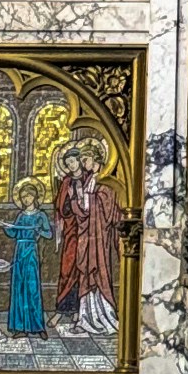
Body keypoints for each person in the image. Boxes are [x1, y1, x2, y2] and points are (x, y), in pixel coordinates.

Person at [54, 141, 122, 338]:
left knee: (97, 273)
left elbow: (108, 208)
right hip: (86, 234)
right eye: (81, 160)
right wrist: (76, 199)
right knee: (84, 273)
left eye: (85, 159)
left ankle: (102, 316)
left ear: (96, 158)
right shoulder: (90, 180)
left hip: (98, 236)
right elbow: (79, 210)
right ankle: (86, 317)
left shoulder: (104, 182)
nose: (83, 163)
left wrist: (84, 199)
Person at [4, 189, 53, 340]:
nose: (26, 199)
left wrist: (39, 230)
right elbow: (14, 233)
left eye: (29, 195)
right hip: (19, 251)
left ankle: (38, 326)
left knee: (32, 288)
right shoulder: (21, 215)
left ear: (35, 197)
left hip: (31, 251)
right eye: (23, 196)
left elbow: (49, 233)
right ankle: (20, 327)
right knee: (19, 287)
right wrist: (6, 227)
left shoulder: (41, 215)